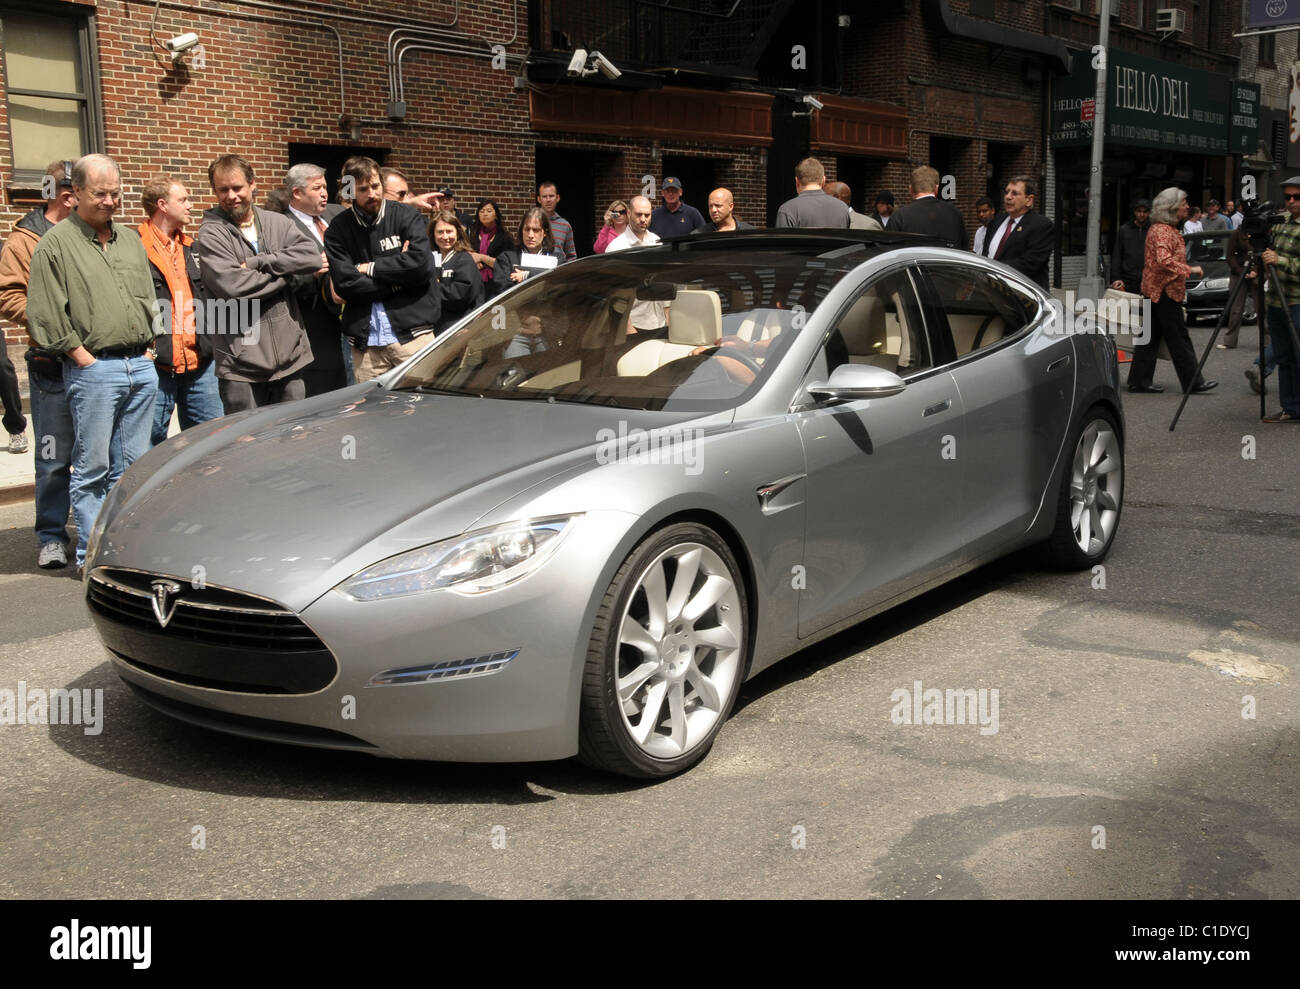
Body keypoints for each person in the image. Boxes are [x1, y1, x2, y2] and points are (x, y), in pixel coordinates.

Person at [26, 153, 159, 573]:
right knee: (92, 468)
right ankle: (92, 557)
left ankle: (127, 552)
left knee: (133, 468)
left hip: (140, 366)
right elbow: (44, 312)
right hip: (94, 370)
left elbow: (147, 296)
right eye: (100, 193)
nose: (110, 201)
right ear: (76, 193)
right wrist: (81, 357)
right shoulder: (55, 244)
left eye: (115, 193)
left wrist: (150, 348)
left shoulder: (130, 240)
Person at [196, 154, 320, 412]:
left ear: (252, 184)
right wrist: (286, 275)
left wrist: (260, 262)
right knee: (248, 437)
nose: (231, 196)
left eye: (237, 187)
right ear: (214, 191)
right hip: (240, 366)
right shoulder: (211, 233)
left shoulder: (278, 222)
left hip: (290, 359)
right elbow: (233, 286)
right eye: (223, 190)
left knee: (293, 433)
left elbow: (311, 257)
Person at [0, 161, 76, 568]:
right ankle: (51, 536)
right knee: (53, 457)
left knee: (100, 457)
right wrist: (52, 320)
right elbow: (8, 295)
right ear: (68, 195)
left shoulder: (92, 233)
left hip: (97, 363)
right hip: (51, 366)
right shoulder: (24, 240)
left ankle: (96, 531)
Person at [325, 156, 441, 382]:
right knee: (369, 405)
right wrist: (399, 280)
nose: (372, 194)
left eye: (376, 186)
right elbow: (345, 285)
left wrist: (370, 268)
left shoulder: (406, 216)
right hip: (366, 346)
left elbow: (421, 266)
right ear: (349, 191)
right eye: (363, 189)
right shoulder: (338, 230)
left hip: (413, 336)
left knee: (423, 401)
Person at [137, 176, 221, 446]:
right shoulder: (134, 248)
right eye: (183, 199)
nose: (190, 205)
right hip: (156, 366)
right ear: (162, 205)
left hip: (200, 364)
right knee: (148, 445)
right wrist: (146, 349)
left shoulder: (193, 248)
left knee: (212, 442)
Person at [1129, 186, 1217, 395]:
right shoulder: (1162, 231)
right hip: (1164, 292)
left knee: (1149, 337)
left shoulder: (1163, 229)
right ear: (1172, 207)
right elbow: (1163, 260)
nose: (1187, 206)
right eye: (1184, 203)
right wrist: (1190, 269)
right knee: (1178, 337)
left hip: (1155, 290)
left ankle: (1139, 381)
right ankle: (1193, 382)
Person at [283, 163, 347, 396]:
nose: (324, 193)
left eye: (325, 187)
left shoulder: (337, 214)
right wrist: (310, 271)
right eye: (317, 188)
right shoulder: (282, 227)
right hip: (317, 330)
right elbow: (282, 277)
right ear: (297, 193)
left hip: (352, 327)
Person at [1258, 175, 1300, 422]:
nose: (1291, 201)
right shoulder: (1281, 221)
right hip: (1275, 299)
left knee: (1298, 357)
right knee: (1284, 357)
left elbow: (1284, 260)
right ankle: (1290, 408)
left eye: (1297, 197)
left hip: (1296, 301)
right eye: (1287, 197)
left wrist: (1279, 260)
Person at [981, 175, 1055, 289]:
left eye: (1014, 193)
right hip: (992, 292)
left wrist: (993, 269)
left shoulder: (1041, 226)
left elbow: (1030, 263)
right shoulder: (996, 222)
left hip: (1022, 294)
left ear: (1029, 200)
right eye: (1007, 192)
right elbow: (986, 255)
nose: (1008, 197)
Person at [606, 197, 666, 333]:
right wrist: (628, 328)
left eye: (647, 215)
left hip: (659, 321)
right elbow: (614, 294)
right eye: (639, 214)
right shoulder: (616, 248)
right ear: (629, 213)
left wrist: (668, 316)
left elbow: (663, 281)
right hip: (634, 323)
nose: (643, 219)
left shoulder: (657, 242)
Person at [429, 209, 484, 333]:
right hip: (435, 327)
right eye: (440, 232)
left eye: (449, 231)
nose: (445, 237)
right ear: (433, 234)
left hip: (458, 329)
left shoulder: (464, 260)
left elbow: (460, 296)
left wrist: (431, 286)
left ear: (458, 233)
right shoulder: (430, 259)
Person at [491, 207, 566, 296]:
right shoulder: (506, 259)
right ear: (521, 231)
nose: (530, 235)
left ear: (545, 232)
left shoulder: (558, 259)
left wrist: (527, 275)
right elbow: (503, 292)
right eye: (527, 229)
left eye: (536, 230)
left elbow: (562, 285)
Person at [888, 165, 967, 248]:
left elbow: (888, 250)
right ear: (937, 188)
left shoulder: (899, 216)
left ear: (910, 189)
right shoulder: (955, 214)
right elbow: (964, 248)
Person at [776, 158, 850, 228]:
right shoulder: (843, 208)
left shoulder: (787, 209)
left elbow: (782, 237)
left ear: (797, 181)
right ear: (823, 180)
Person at [1216, 223, 1256, 351]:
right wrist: (1239, 270)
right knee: (1236, 309)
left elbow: (1267, 252)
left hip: (1257, 272)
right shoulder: (1237, 232)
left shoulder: (1262, 230)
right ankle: (1230, 341)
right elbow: (1230, 255)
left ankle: (1268, 342)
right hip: (1238, 272)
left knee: (1262, 308)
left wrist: (1256, 271)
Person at [470, 199, 513, 296]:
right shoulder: (472, 234)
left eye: (489, 211)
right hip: (474, 281)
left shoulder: (505, 237)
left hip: (496, 284)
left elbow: (507, 264)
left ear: (496, 215)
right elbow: (465, 253)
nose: (485, 214)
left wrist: (482, 258)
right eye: (481, 211)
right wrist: (473, 261)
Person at [1109, 199, 1151, 295]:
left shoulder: (1152, 230)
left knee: (1146, 304)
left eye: (1145, 212)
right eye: (1139, 211)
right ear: (1135, 212)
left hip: (1147, 279)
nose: (1142, 214)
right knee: (1129, 304)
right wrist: (1116, 278)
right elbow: (1117, 255)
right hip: (1127, 279)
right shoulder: (1125, 230)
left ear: (1148, 213)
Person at [536, 182, 576, 261]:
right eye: (544, 196)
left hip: (559, 268)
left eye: (551, 196)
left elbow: (571, 257)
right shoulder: (532, 223)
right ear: (539, 199)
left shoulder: (565, 225)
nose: (548, 200)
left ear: (557, 198)